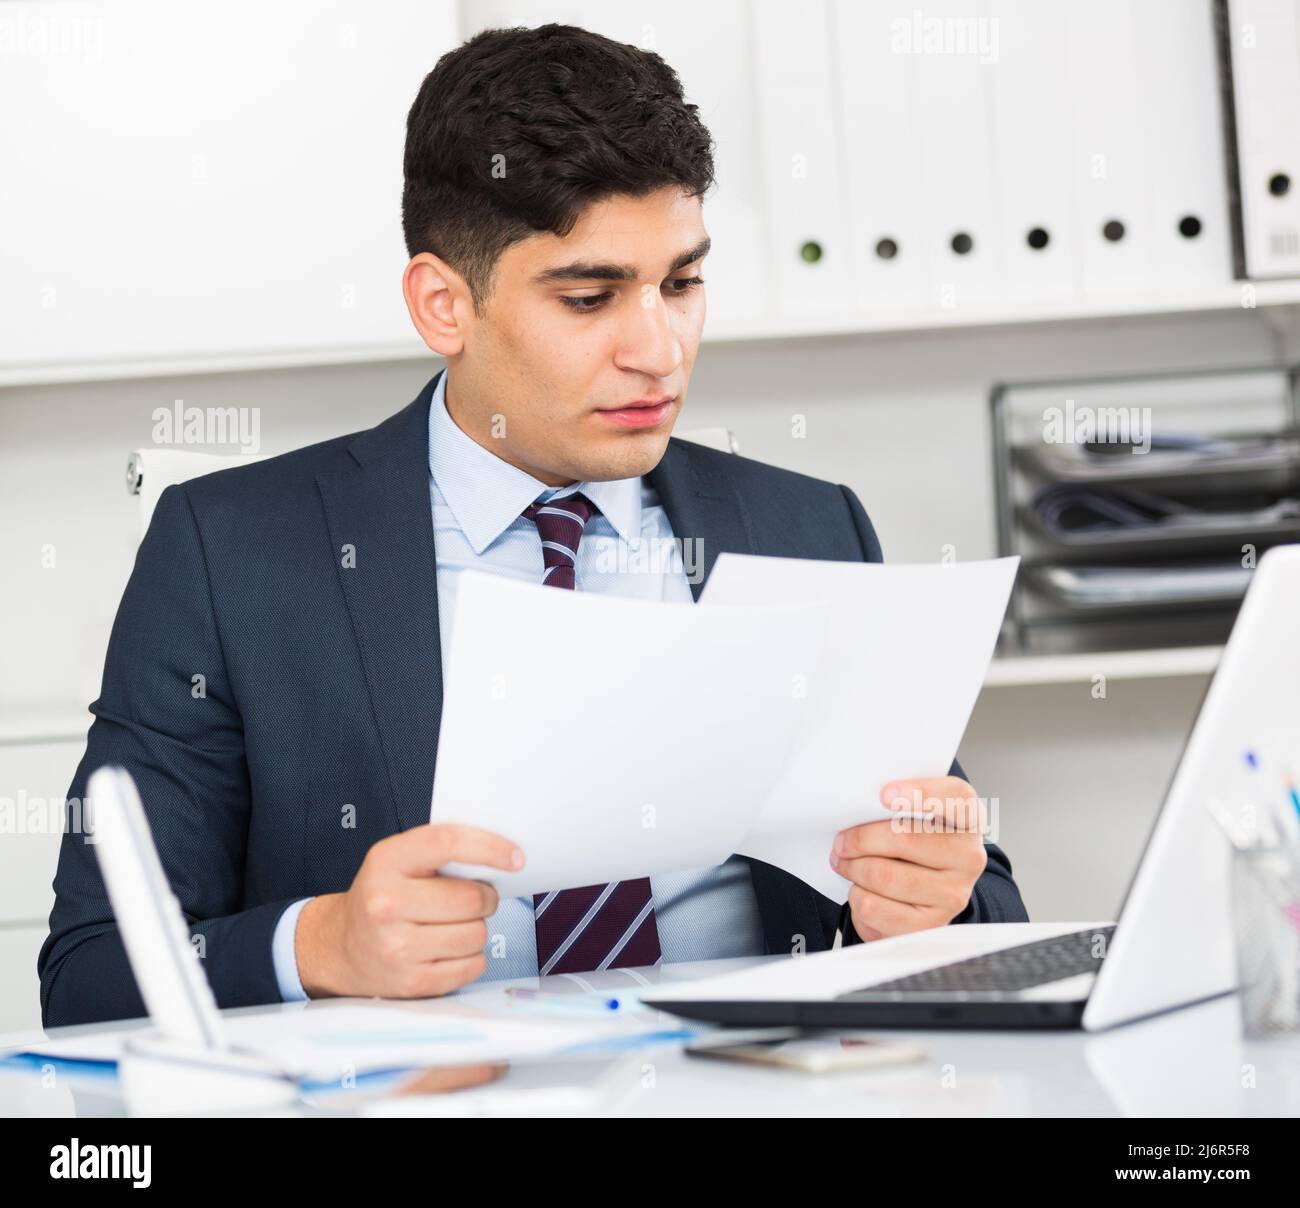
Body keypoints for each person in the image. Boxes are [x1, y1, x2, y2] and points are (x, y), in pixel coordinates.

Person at [40, 23, 1025, 1027]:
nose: (660, 348)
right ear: (443, 304)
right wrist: (326, 942)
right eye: (591, 296)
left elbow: (981, 902)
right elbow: (88, 974)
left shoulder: (809, 524)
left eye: (681, 283)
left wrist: (937, 895)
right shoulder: (232, 552)